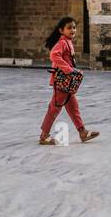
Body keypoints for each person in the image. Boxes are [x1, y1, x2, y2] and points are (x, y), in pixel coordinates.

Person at [39, 16, 99, 146]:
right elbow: (54, 55)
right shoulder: (62, 43)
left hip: (67, 82)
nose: (72, 30)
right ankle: (44, 136)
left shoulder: (67, 41)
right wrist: (68, 70)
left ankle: (82, 132)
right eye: (69, 28)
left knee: (73, 107)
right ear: (61, 30)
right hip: (61, 82)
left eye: (74, 27)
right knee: (54, 108)